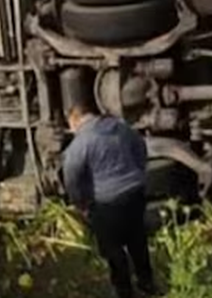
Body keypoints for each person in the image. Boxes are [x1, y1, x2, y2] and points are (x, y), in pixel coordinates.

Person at [61, 101, 158, 298]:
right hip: (134, 193)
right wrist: (137, 173)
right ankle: (147, 285)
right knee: (138, 241)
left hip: (107, 203)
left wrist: (81, 204)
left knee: (113, 250)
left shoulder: (81, 143)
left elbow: (71, 178)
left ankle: (124, 291)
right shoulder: (121, 127)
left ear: (75, 119)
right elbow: (141, 147)